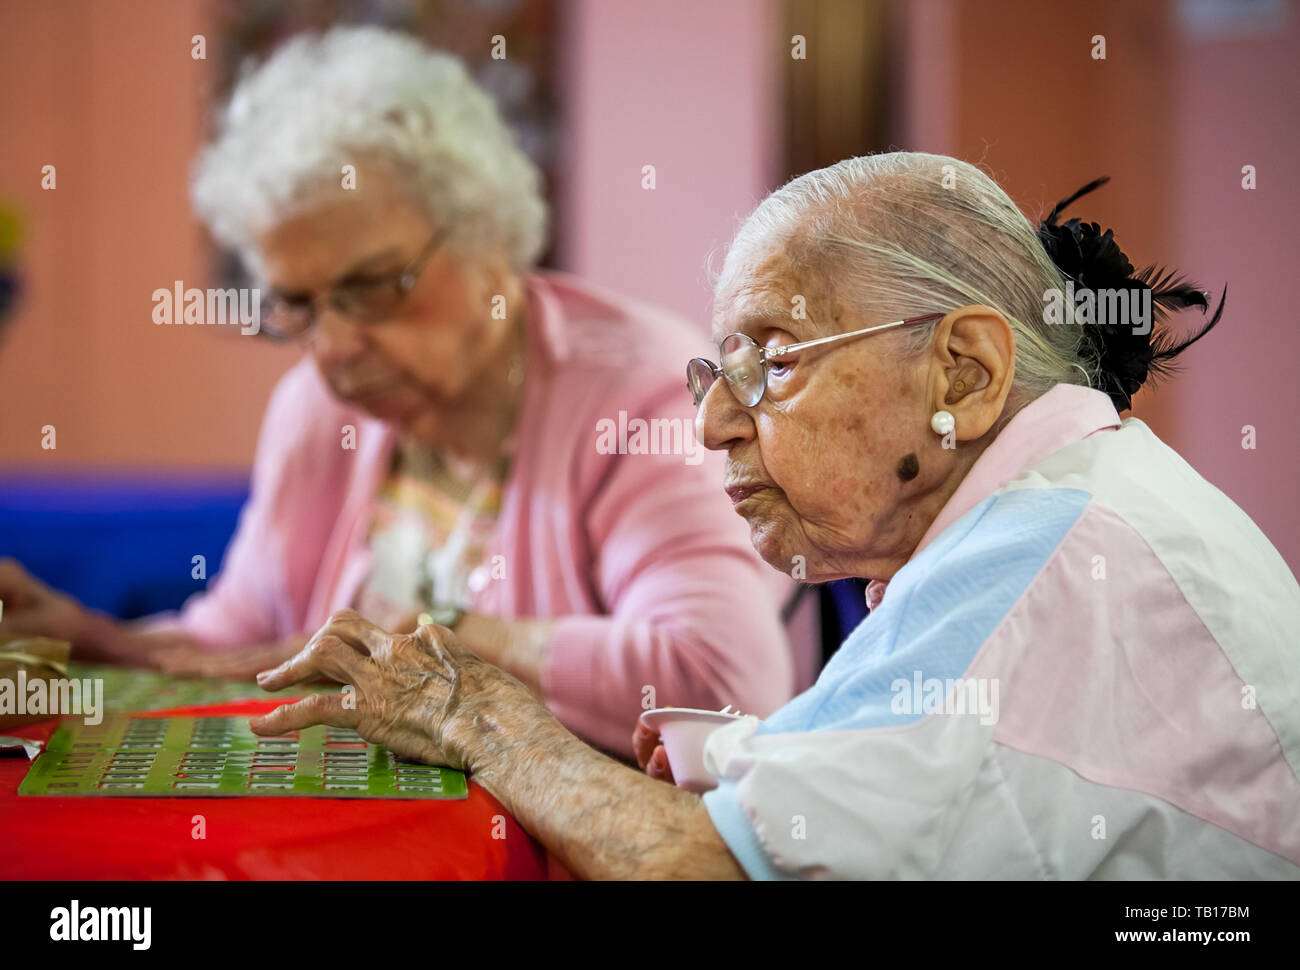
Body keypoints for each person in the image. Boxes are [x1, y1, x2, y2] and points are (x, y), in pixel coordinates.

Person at [249, 152, 1300, 879]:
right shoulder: (1053, 509)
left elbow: (709, 868)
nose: (709, 422)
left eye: (775, 360)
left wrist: (481, 716)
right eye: (720, 368)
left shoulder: (1052, 567)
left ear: (966, 373)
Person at [0, 26, 800, 758]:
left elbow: (720, 681)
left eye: (375, 286)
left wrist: (430, 635)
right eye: (298, 305)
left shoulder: (637, 389)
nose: (334, 345)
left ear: (488, 233)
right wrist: (86, 638)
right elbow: (245, 638)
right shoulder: (317, 413)